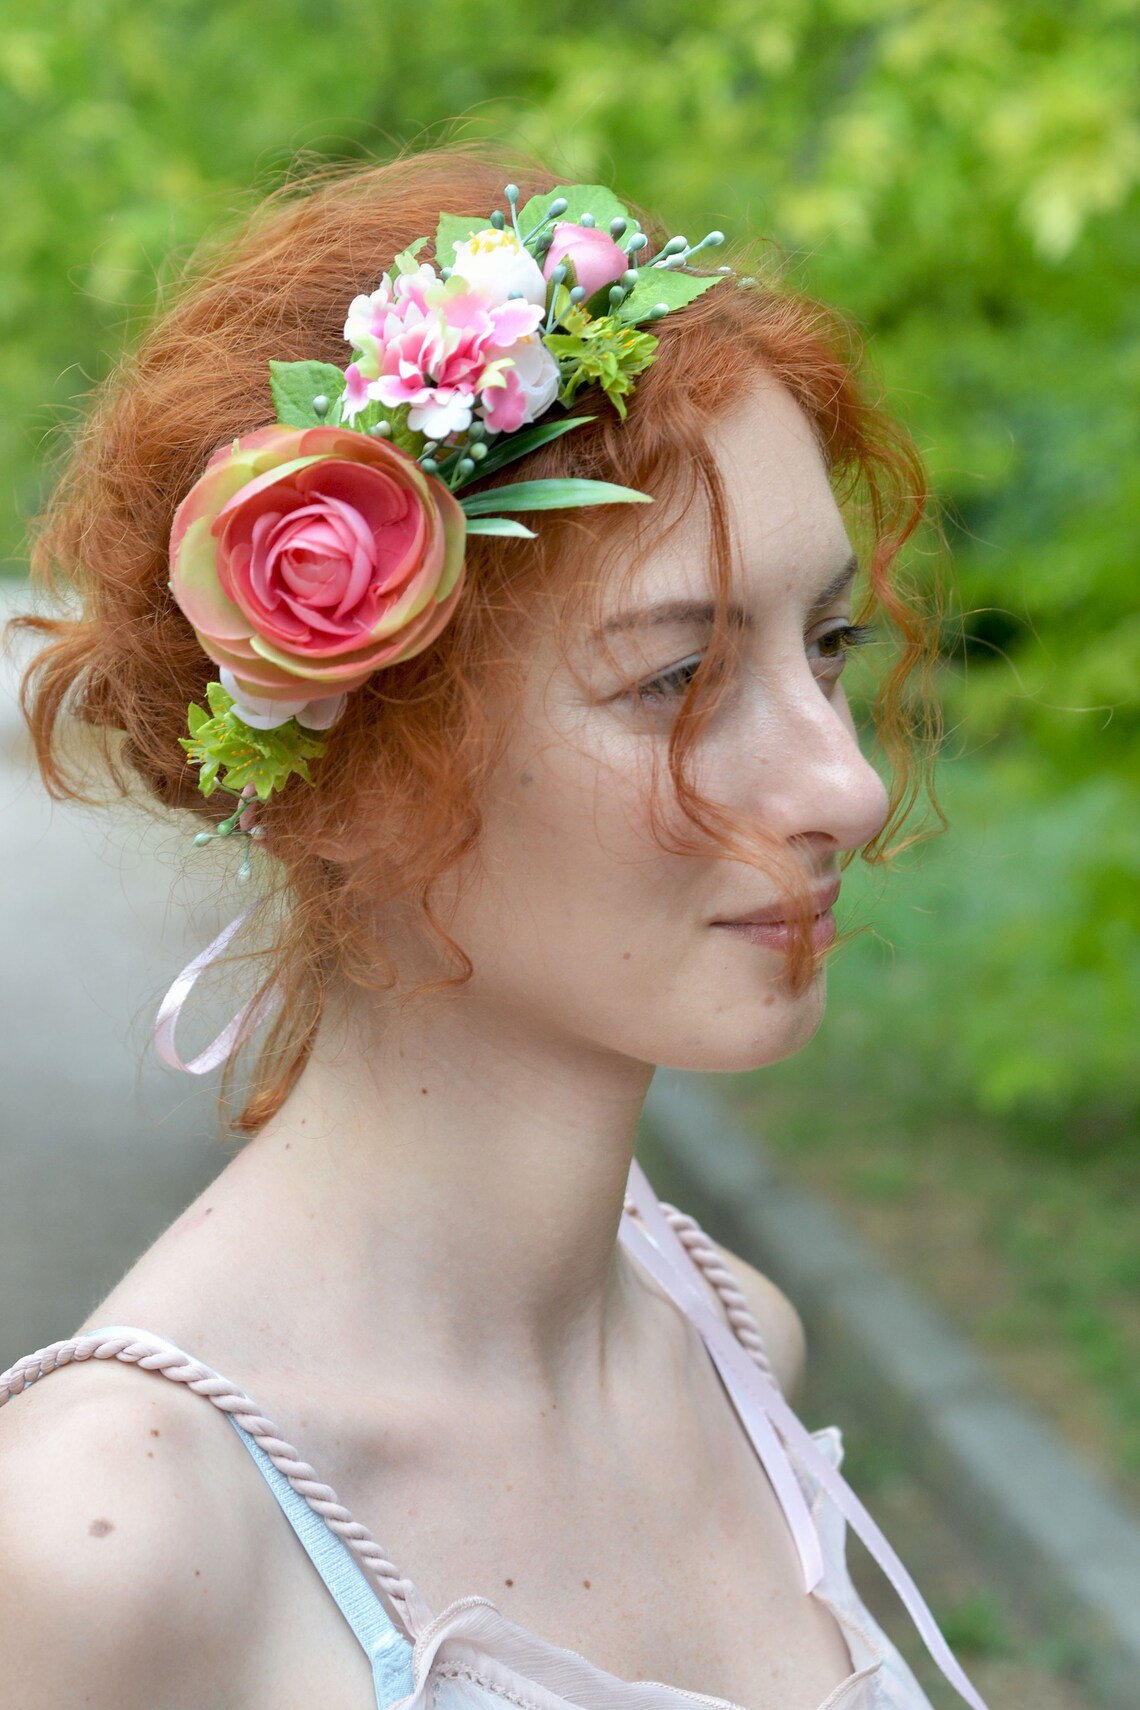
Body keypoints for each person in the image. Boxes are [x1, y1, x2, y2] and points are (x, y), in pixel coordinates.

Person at [0, 147, 983, 1710]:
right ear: (360, 767)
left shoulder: (732, 1341)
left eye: (829, 642)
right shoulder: (117, 1535)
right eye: (677, 678)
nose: (848, 786)